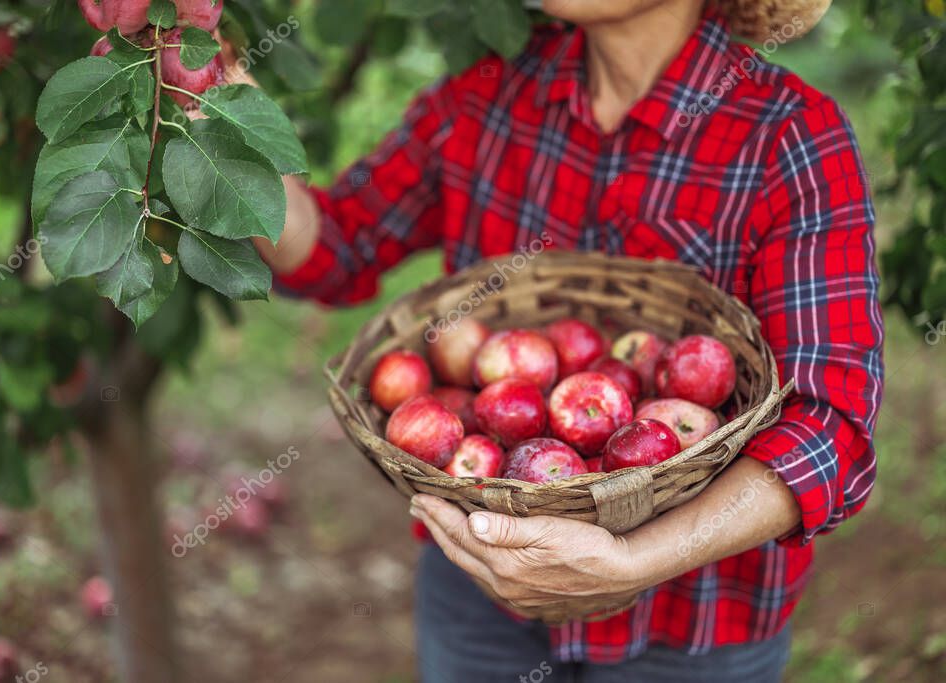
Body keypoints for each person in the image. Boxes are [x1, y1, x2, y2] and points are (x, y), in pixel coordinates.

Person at [238, 1, 884, 680]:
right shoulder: (488, 96)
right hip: (483, 583)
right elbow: (334, 246)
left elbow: (828, 428)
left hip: (692, 620)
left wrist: (637, 560)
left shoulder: (790, 139)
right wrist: (215, 91)